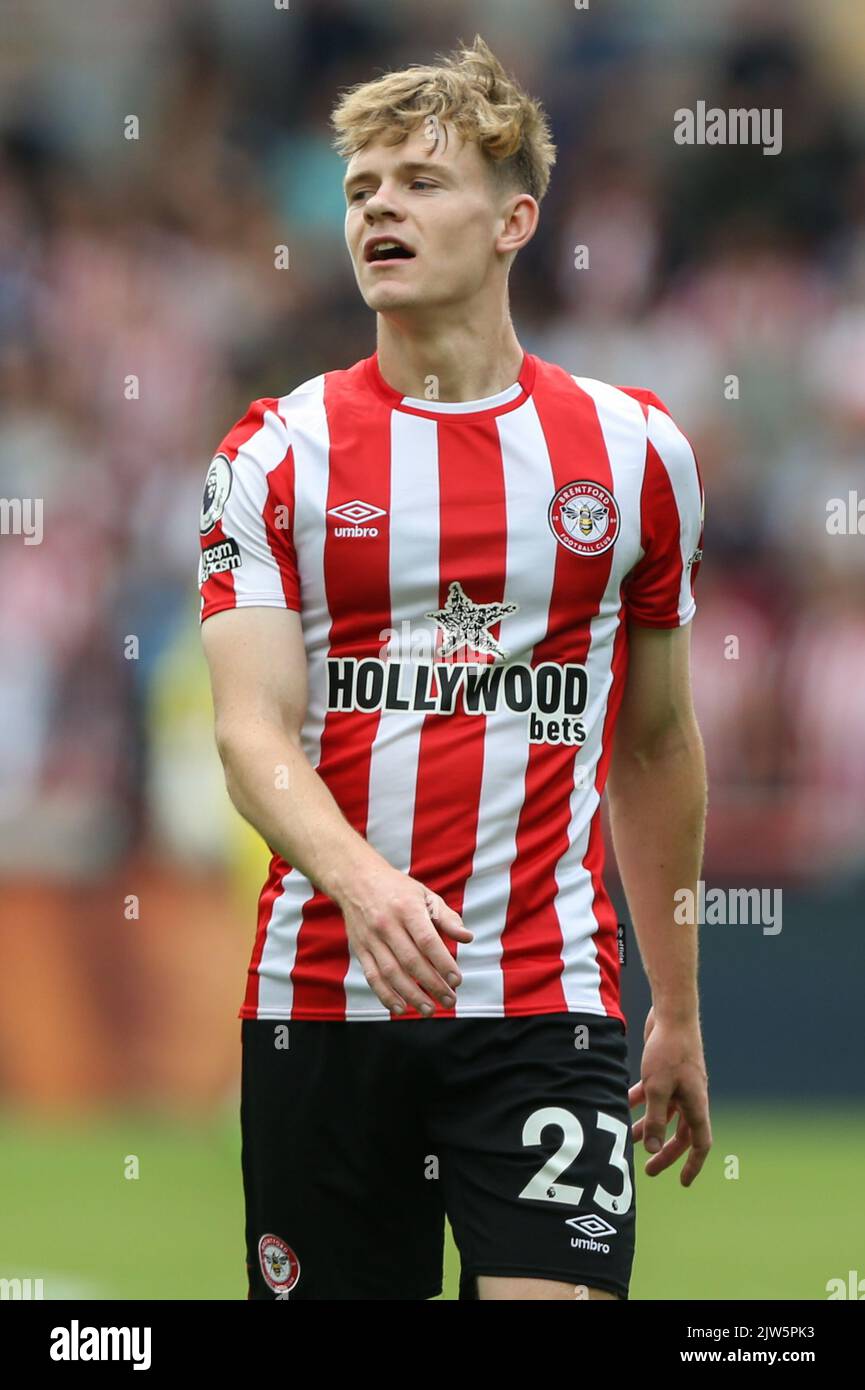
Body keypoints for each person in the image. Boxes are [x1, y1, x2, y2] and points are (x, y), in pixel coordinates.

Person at [198, 34, 711, 1302]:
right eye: (361, 187)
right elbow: (250, 731)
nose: (378, 205)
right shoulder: (275, 456)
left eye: (419, 182)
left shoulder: (634, 452)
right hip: (323, 998)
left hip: (544, 998)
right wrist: (364, 883)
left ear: (513, 220)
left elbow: (652, 746)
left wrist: (679, 1007)